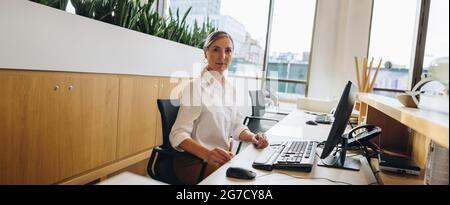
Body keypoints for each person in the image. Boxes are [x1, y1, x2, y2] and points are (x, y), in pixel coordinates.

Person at [169, 31, 269, 184]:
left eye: (228, 50)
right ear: (206, 52)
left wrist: (252, 137)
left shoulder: (230, 89)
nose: (222, 56)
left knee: (262, 176)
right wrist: (207, 154)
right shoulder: (195, 87)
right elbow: (177, 134)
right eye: (216, 49)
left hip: (221, 160)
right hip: (195, 162)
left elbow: (236, 126)